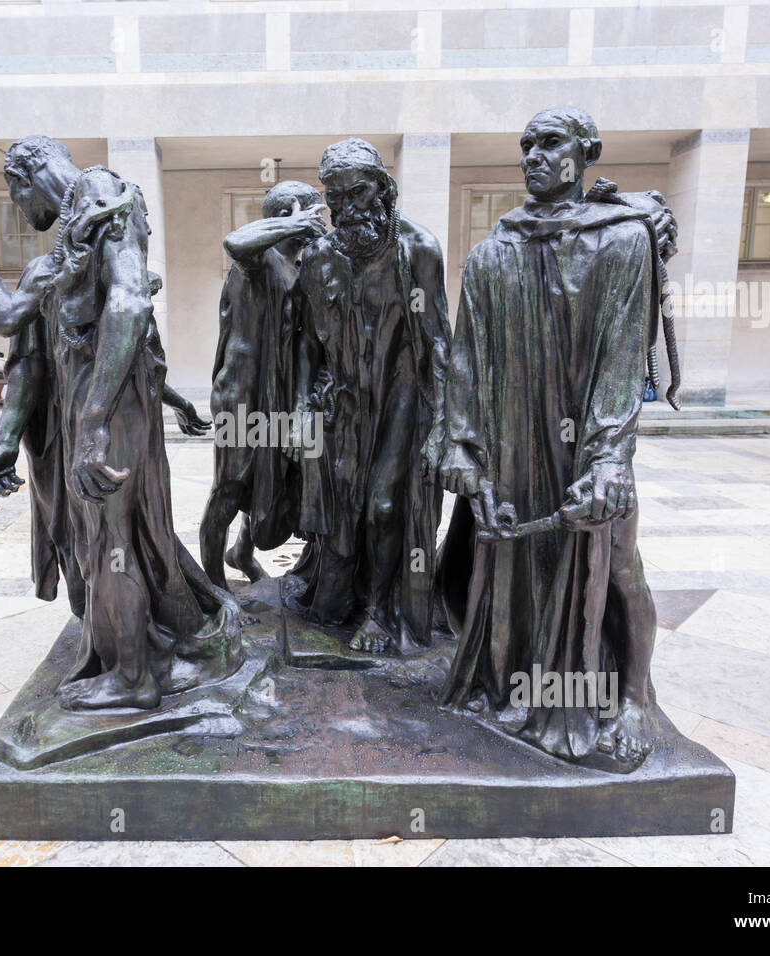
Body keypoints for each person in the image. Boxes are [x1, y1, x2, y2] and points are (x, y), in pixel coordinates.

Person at [0, 135, 241, 711]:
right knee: (105, 538)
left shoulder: (104, 194)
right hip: (99, 405)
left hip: (106, 409)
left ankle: (132, 677)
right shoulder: (64, 239)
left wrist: (95, 421)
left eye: (13, 196)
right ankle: (133, 651)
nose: (25, 215)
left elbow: (130, 305)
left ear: (25, 178)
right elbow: (11, 323)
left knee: (108, 538)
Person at [424, 106, 671, 771]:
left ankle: (634, 699)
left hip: (592, 446)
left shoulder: (622, 241)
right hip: (512, 444)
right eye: (525, 145)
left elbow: (623, 356)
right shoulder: (493, 251)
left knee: (616, 565)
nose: (533, 155)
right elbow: (465, 356)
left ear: (587, 151)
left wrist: (611, 457)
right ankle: (517, 687)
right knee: (508, 568)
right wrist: (459, 443)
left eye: (550, 142)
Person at [284, 139, 451, 657]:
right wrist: (300, 406)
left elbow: (439, 343)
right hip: (342, 407)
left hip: (401, 396)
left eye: (358, 194)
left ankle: (381, 612)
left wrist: (448, 428)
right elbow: (307, 345)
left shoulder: (416, 250)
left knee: (383, 505)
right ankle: (341, 597)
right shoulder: (317, 259)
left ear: (384, 189)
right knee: (339, 519)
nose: (349, 210)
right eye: (336, 199)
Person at [199, 181, 327, 590]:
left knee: (281, 478)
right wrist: (289, 222)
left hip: (286, 395)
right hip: (242, 397)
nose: (321, 219)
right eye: (314, 211)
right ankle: (215, 589)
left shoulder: (300, 268)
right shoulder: (257, 259)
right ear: (293, 212)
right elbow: (234, 241)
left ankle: (241, 552)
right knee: (230, 489)